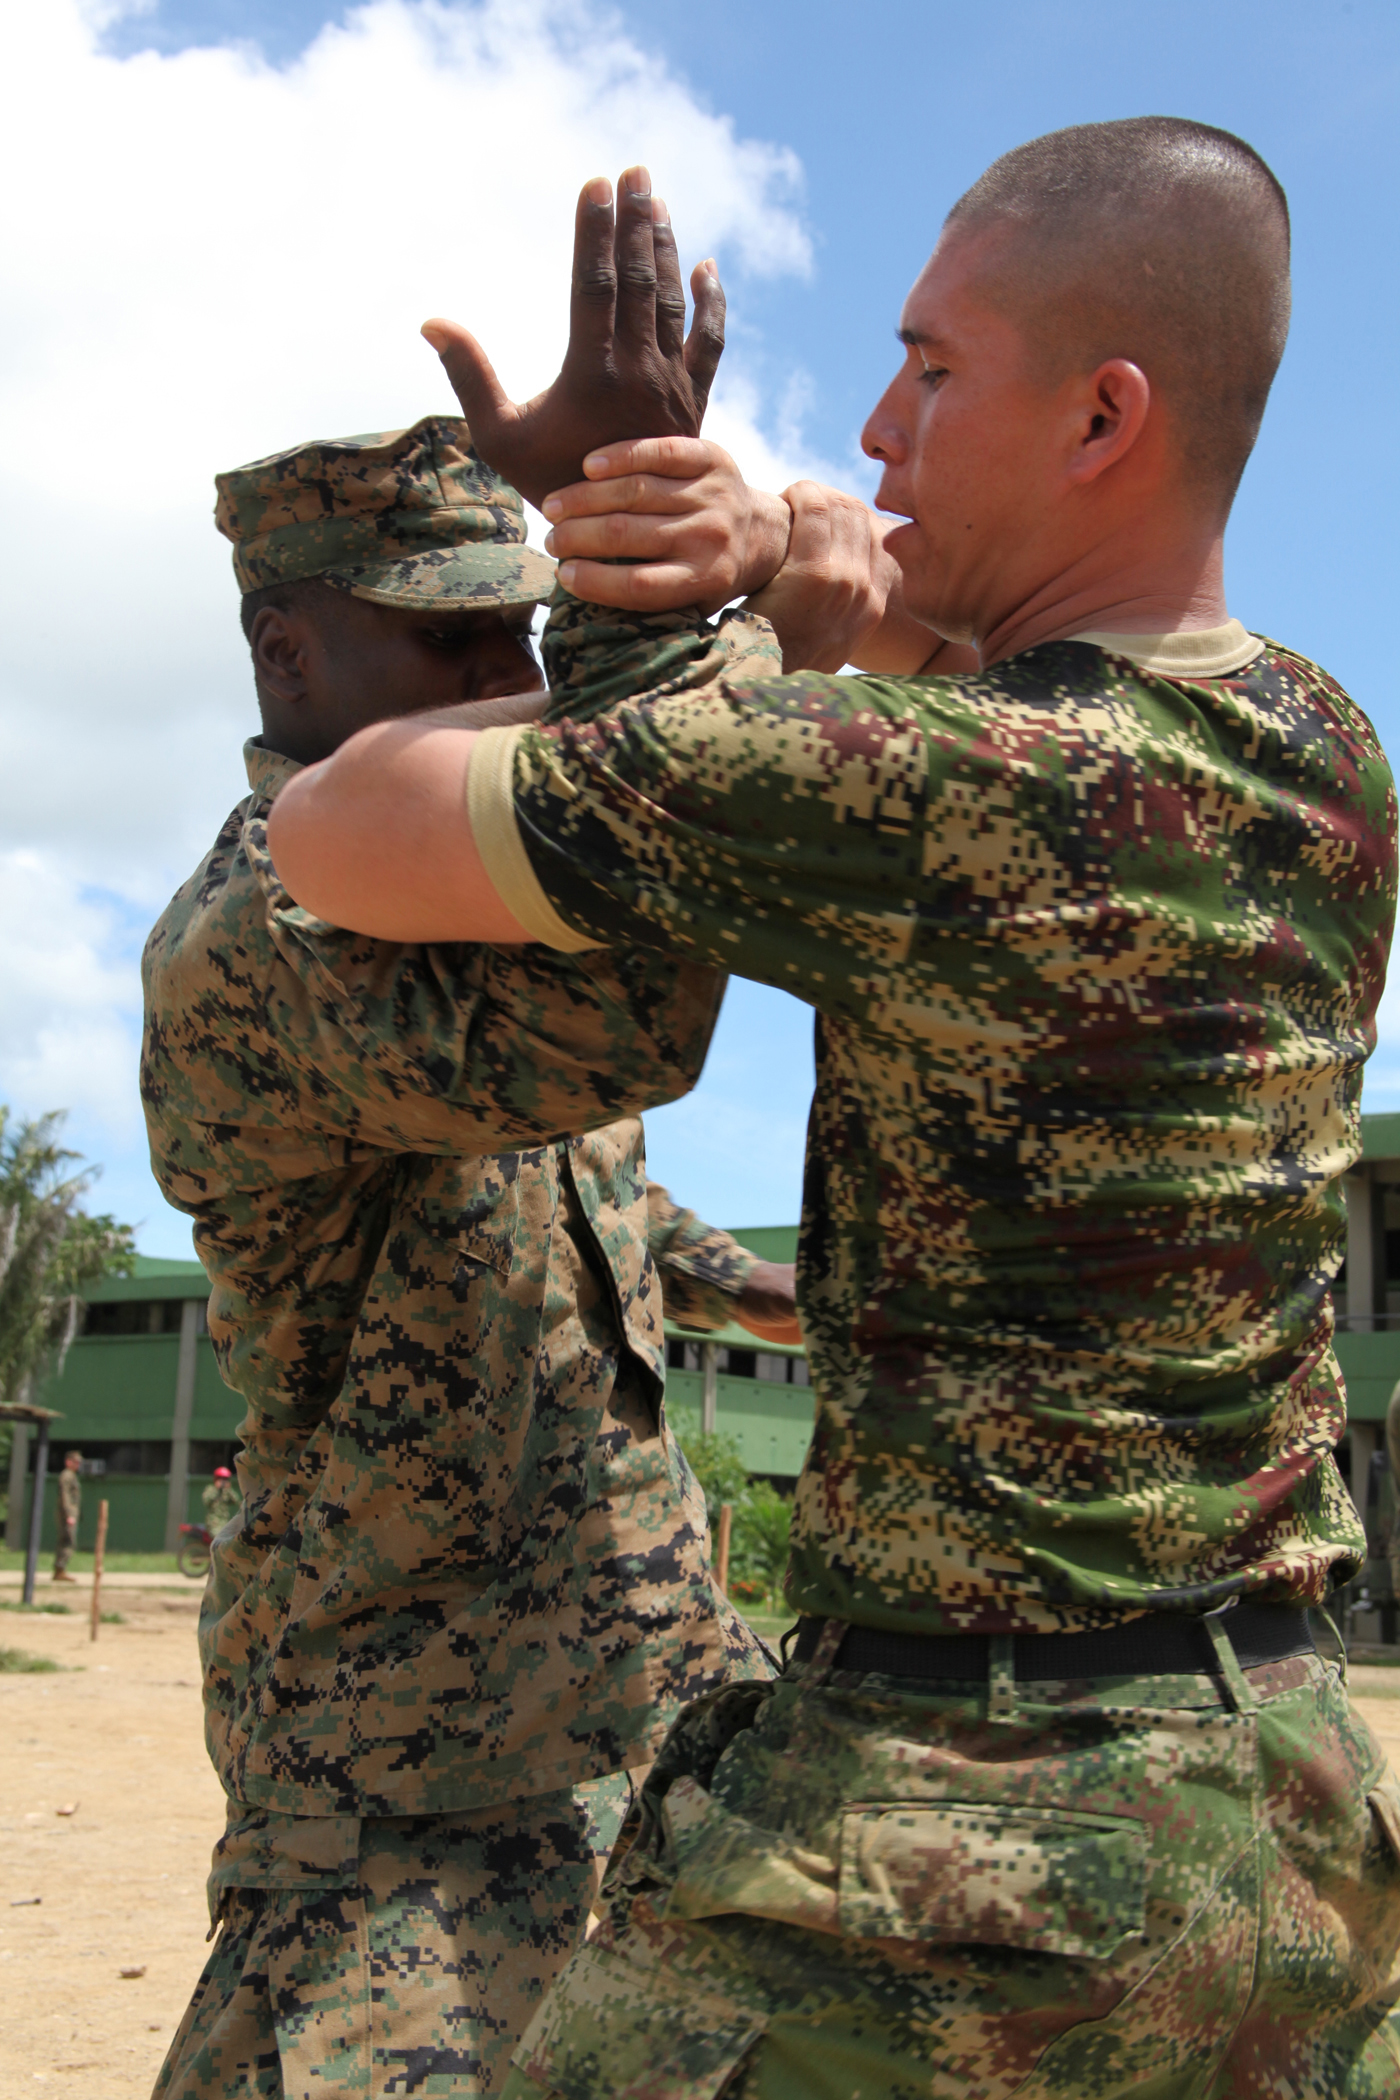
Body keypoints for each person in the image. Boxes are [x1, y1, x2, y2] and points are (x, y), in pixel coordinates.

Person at [271, 123, 1400, 2092]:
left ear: (1099, 417)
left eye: (933, 368)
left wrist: (636, 566)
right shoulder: (1317, 754)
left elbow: (345, 837)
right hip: (1276, 1811)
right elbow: (975, 686)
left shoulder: (931, 789)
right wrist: (783, 576)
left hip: (936, 1836)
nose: (876, 426)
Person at [143, 417, 798, 2100]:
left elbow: (596, 1193)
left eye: (521, 625)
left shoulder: (463, 911)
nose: (509, 667)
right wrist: (730, 653)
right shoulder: (260, 931)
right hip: (408, 1781)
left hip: (641, 1708)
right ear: (289, 651)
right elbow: (621, 1025)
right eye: (453, 640)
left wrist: (775, 1294)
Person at [52, 1449, 81, 1581]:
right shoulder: (67, 1476)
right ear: (68, 1462)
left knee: (65, 1541)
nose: (78, 1465)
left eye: (79, 1462)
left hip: (69, 1513)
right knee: (68, 1542)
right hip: (66, 1514)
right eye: (75, 1462)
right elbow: (65, 1496)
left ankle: (60, 1570)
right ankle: (60, 1569)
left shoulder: (71, 1475)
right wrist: (69, 1514)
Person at [200, 1466, 240, 1534]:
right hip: (213, 1523)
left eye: (225, 1479)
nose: (223, 1481)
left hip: (224, 1522)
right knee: (220, 1539)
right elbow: (207, 1501)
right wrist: (217, 1489)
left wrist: (229, 1489)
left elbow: (236, 1501)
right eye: (220, 1479)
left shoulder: (226, 1492)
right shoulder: (210, 1489)